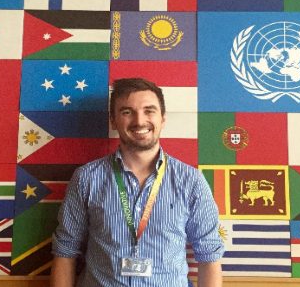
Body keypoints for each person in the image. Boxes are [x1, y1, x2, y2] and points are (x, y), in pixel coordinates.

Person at [51, 78, 224, 287]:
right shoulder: (86, 178)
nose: (139, 121)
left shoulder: (191, 181)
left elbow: (209, 258)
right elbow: (64, 252)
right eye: (127, 112)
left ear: (163, 118)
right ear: (113, 121)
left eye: (149, 111)